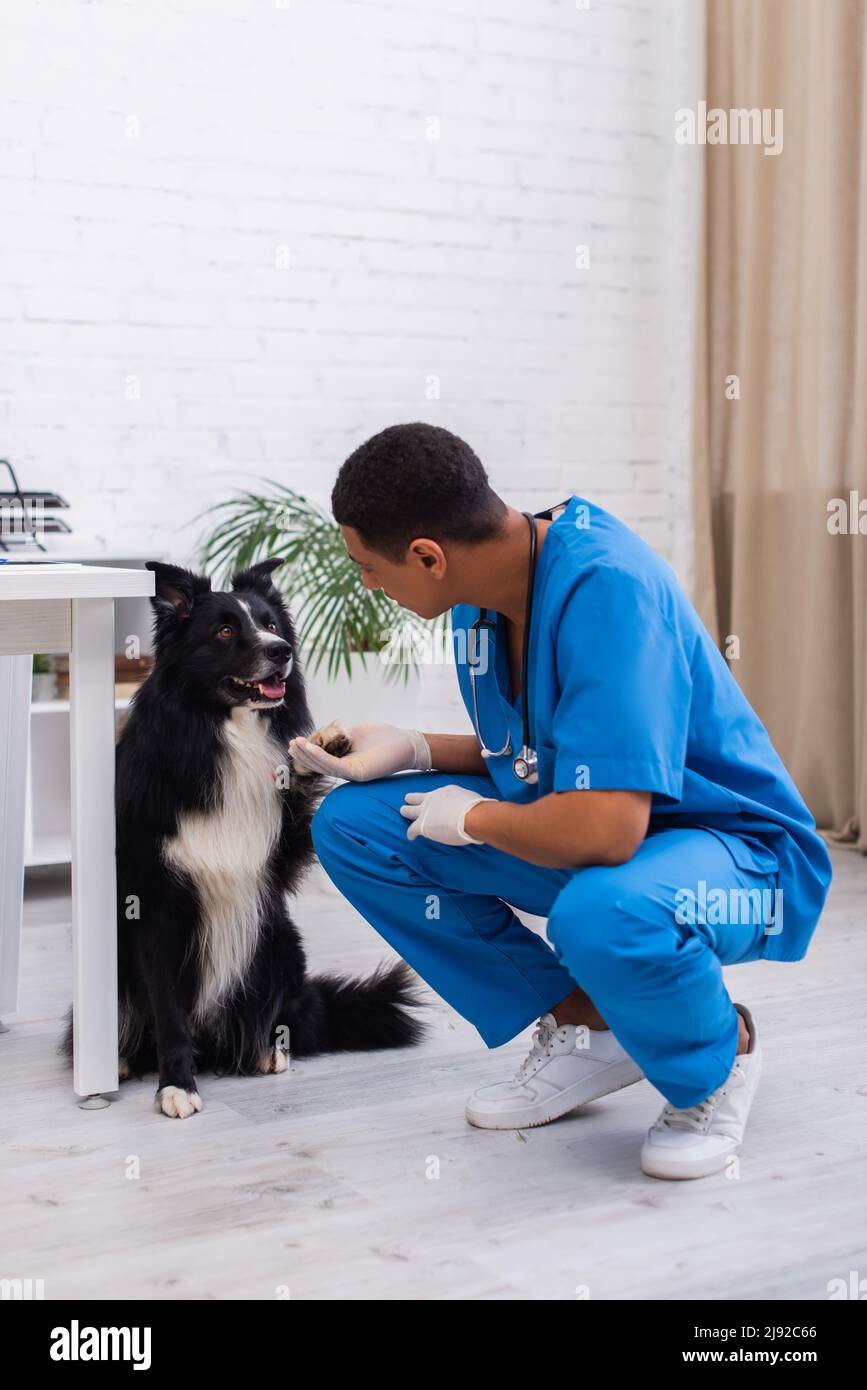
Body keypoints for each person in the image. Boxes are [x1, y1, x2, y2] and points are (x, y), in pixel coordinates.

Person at [289, 423, 832, 1180]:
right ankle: (588, 1024)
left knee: (604, 910)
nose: (367, 586)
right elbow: (549, 755)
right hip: (622, 839)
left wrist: (472, 816)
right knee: (358, 827)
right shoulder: (484, 600)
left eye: (369, 568)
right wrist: (416, 747)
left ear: (427, 556)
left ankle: (716, 1058)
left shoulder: (606, 589)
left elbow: (603, 830)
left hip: (736, 859)